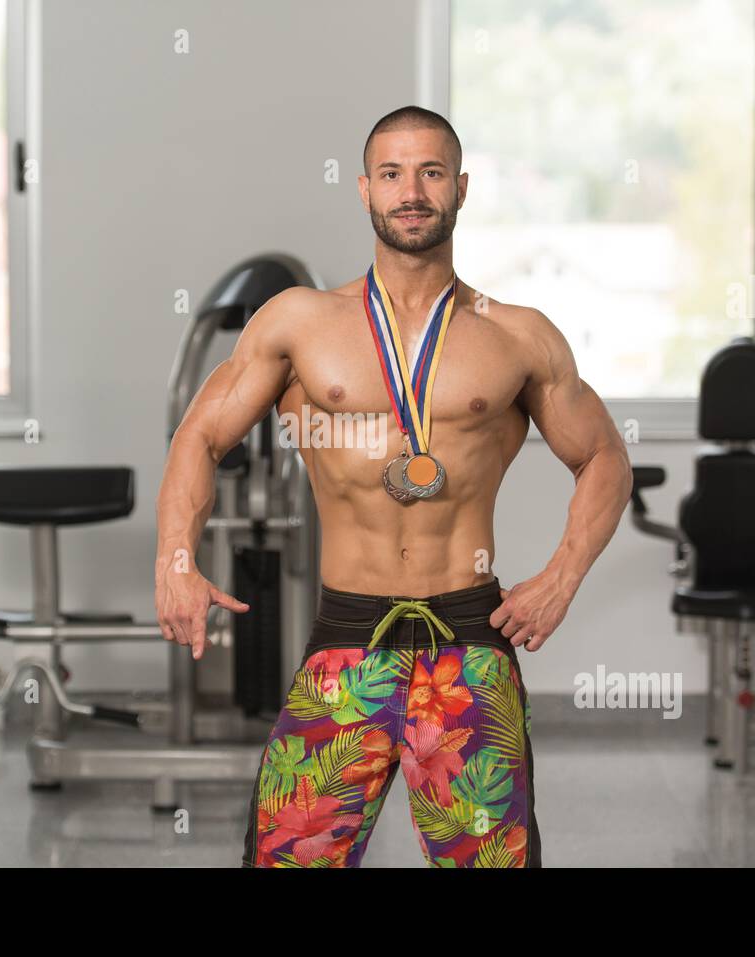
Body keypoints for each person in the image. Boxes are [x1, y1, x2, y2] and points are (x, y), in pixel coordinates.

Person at [155, 105, 632, 868]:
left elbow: (605, 454)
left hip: (469, 640)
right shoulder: (300, 322)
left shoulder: (517, 334)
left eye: (431, 172)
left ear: (462, 188)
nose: (412, 191)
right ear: (364, 190)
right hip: (348, 635)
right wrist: (175, 560)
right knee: (288, 859)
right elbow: (200, 434)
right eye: (392, 173)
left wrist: (562, 577)